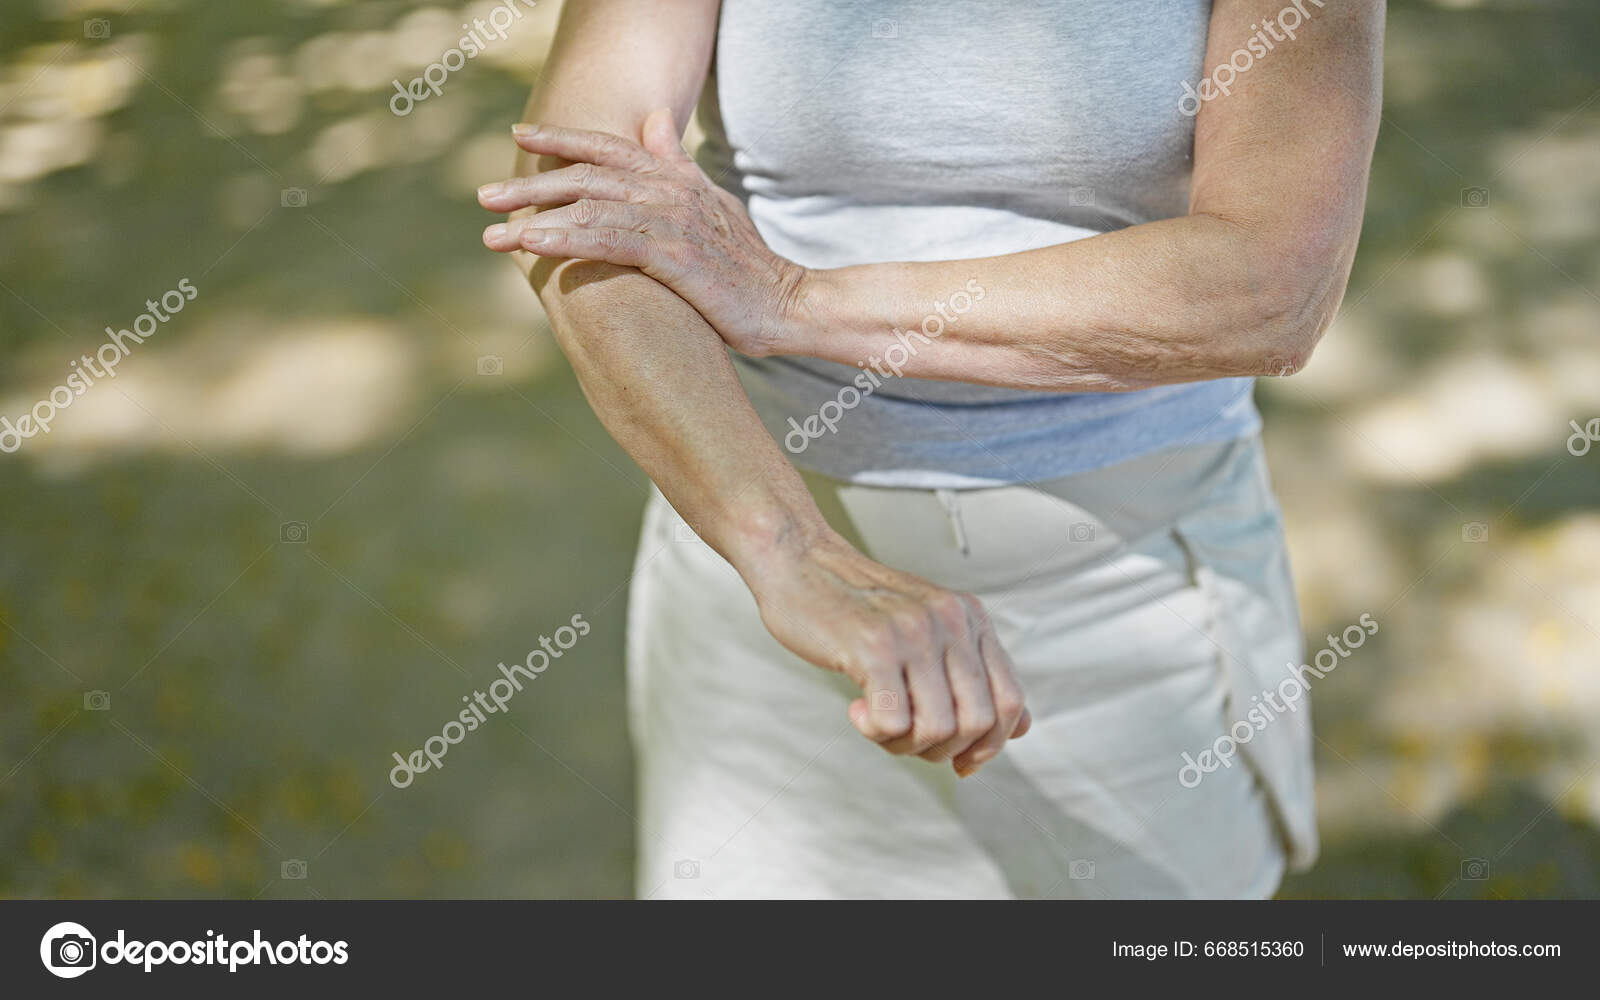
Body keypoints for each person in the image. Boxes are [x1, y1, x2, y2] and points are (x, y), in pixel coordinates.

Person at [478, 0, 1382, 898]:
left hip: (1125, 611)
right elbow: (575, 201)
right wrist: (780, 545)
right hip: (757, 598)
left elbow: (1268, 287)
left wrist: (799, 300)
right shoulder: (771, 555)